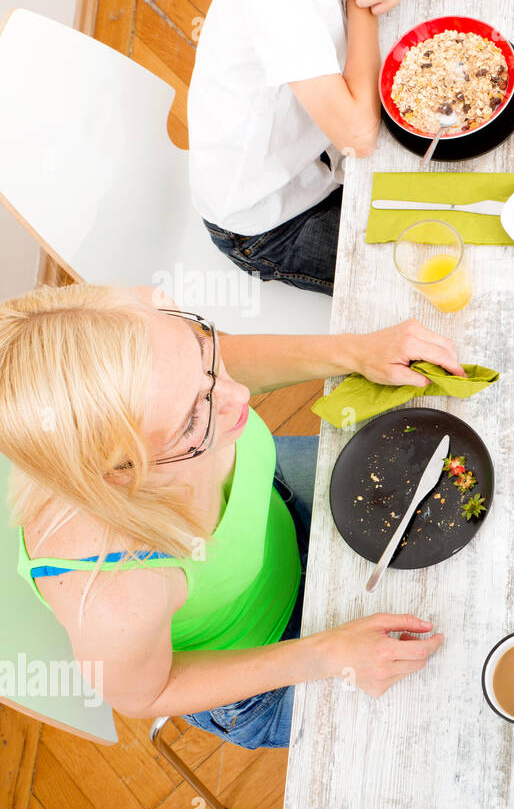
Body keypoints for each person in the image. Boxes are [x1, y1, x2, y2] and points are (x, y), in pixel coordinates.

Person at [0, 283, 465, 749]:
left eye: (205, 356)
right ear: (119, 472)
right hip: (266, 673)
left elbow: (198, 376)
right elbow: (147, 693)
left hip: (276, 508)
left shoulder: (169, 376)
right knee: (443, 719)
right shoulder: (110, 590)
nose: (237, 393)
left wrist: (355, 351)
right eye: (190, 421)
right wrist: (328, 654)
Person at [187, 0, 409, 295]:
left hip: (320, 153)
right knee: (419, 265)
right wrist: (363, 2)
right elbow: (358, 137)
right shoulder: (272, 2)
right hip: (271, 221)